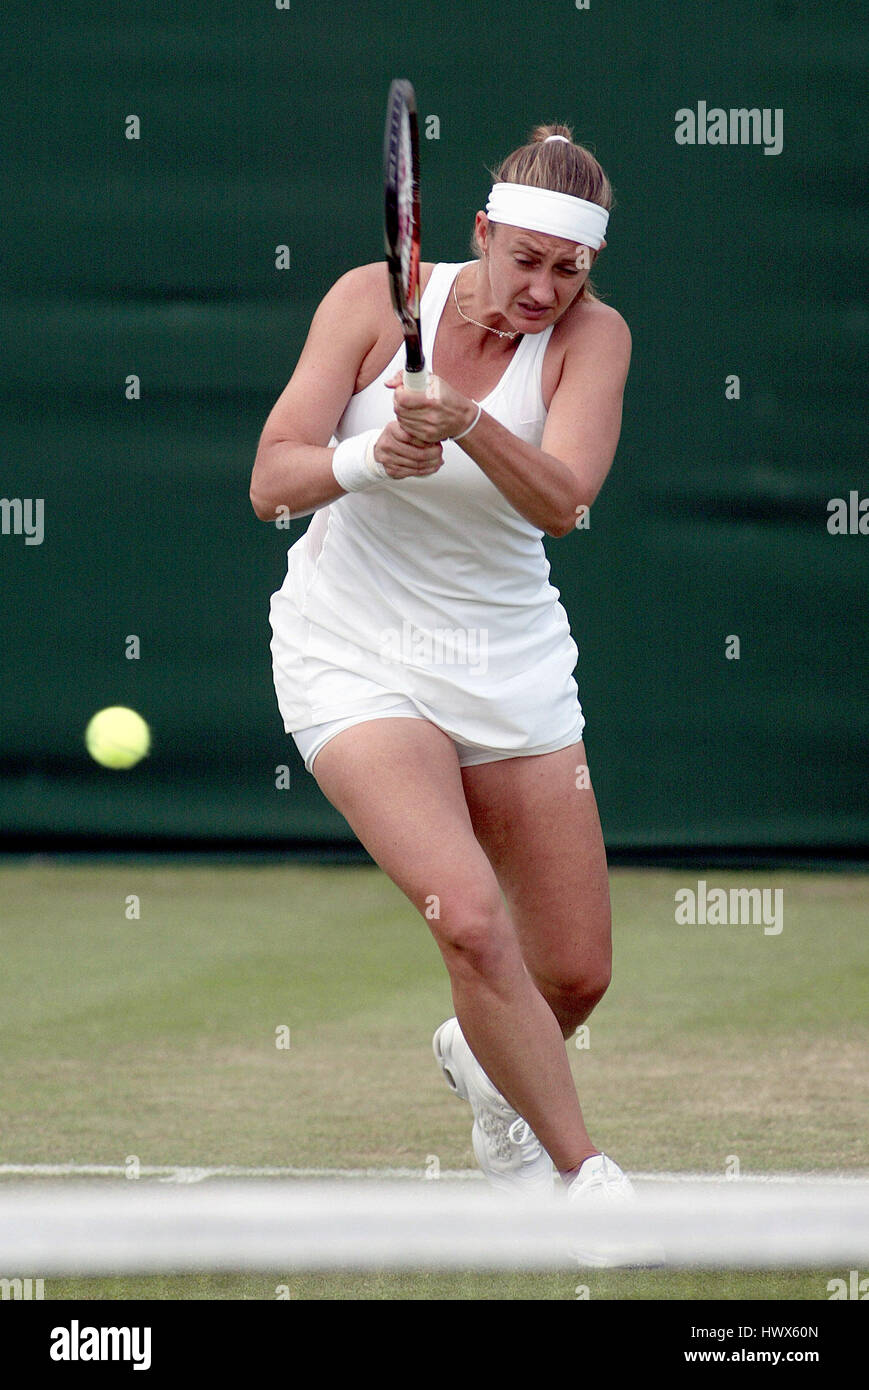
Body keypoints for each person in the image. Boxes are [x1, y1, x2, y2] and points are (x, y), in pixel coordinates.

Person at [251, 123, 639, 1256]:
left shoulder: (592, 339)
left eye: (566, 269)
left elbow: (563, 500)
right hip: (351, 648)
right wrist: (368, 457)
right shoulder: (373, 300)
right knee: (469, 921)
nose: (541, 288)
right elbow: (273, 476)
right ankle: (584, 1179)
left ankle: (479, 1061)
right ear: (474, 233)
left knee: (572, 972)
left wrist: (465, 423)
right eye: (522, 259)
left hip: (504, 659)